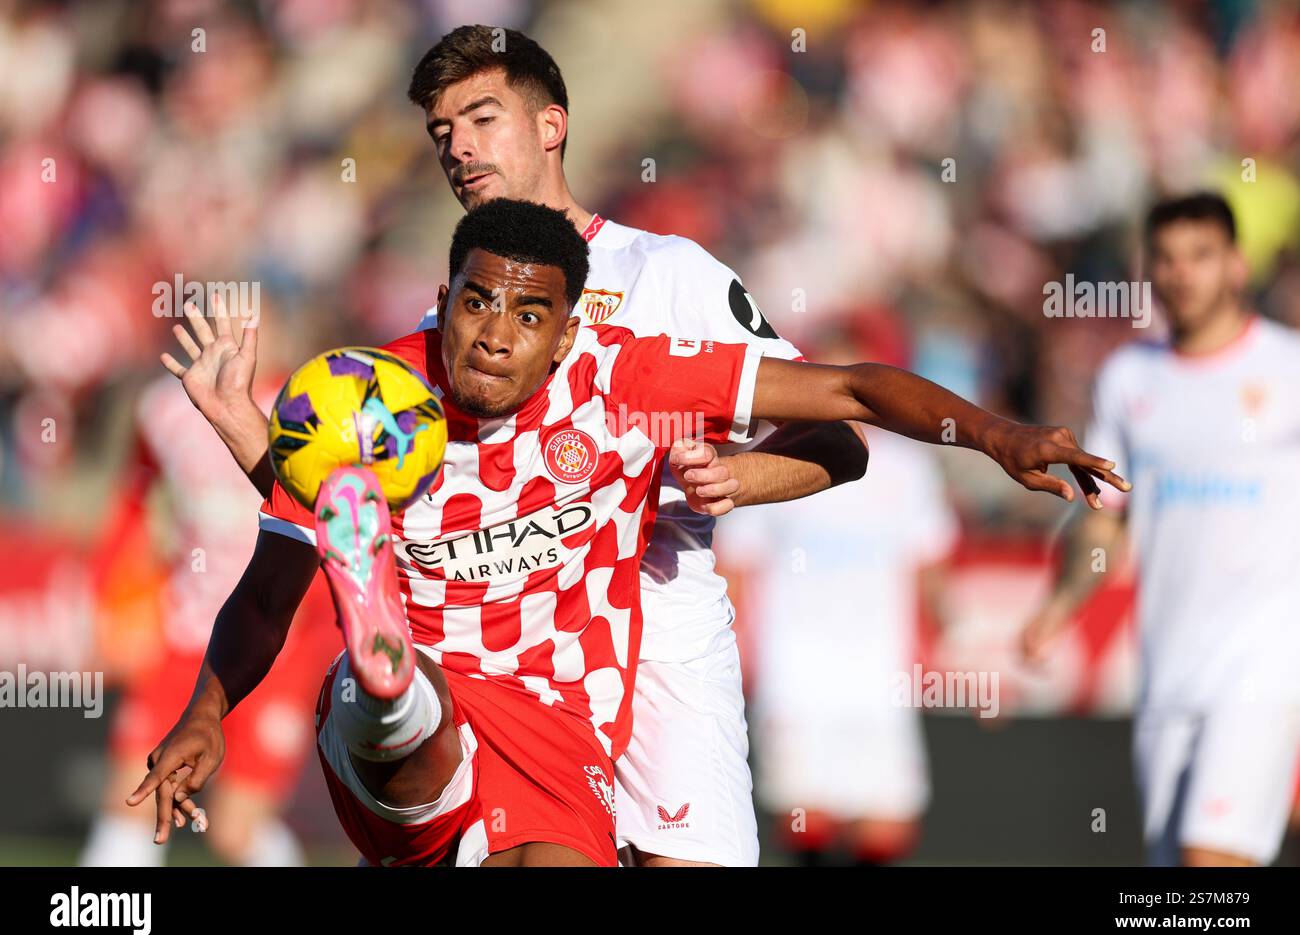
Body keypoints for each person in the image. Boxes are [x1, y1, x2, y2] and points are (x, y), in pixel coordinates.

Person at [132, 197, 1126, 867]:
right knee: (407, 714)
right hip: (421, 716)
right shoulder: (373, 394)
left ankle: (371, 615)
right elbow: (270, 584)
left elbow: (851, 389)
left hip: (562, 732)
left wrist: (998, 434)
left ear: (568, 332)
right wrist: (206, 711)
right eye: (474, 300)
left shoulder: (627, 375)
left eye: (528, 314)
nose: (493, 331)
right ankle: (381, 653)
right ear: (441, 302)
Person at [160, 24, 871, 868]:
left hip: (665, 645)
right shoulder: (445, 335)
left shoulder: (667, 274)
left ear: (551, 125)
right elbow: (357, 514)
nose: (458, 147)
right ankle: (395, 708)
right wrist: (250, 430)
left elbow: (845, 439)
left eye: (481, 118)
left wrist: (736, 478)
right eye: (440, 133)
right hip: (506, 658)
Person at [1022, 192, 1300, 867]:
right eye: (1168, 259)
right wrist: (1059, 607)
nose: (1182, 274)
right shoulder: (1127, 379)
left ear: (1235, 265)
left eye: (1200, 256)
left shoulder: (1288, 368)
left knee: (1214, 861)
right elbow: (1107, 522)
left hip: (1262, 668)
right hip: (1169, 671)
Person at [720, 325, 958, 865]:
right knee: (809, 822)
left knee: (887, 826)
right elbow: (738, 562)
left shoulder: (907, 468)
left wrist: (960, 645)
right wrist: (733, 654)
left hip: (878, 670)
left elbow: (928, 564)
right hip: (797, 669)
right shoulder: (772, 458)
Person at [82, 361, 335, 867]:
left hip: (275, 642)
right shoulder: (160, 409)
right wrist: (112, 600)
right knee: (132, 797)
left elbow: (332, 523)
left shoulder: (308, 405)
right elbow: (134, 503)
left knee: (235, 831)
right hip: (185, 633)